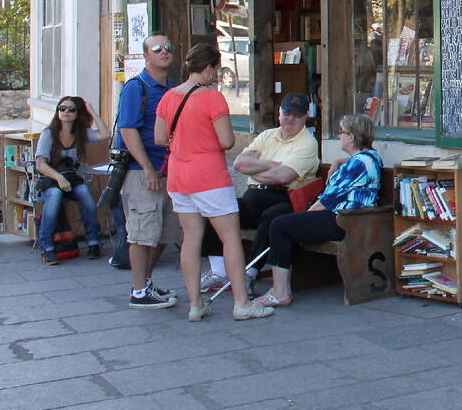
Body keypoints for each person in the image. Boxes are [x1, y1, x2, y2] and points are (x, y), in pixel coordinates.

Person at [155, 43, 273, 322]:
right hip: (209, 175)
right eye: (215, 70)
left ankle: (196, 304)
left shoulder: (169, 97)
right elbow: (227, 141)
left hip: (178, 176)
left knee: (191, 239)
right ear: (207, 68)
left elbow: (160, 139)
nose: (216, 75)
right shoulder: (212, 98)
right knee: (229, 237)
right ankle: (242, 302)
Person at [254, 114, 382, 309]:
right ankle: (282, 287)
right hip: (348, 217)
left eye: (342, 132)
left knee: (280, 225)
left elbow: (327, 200)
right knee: (286, 223)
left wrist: (306, 214)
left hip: (343, 220)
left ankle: (280, 292)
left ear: (352, 137)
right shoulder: (370, 158)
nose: (340, 136)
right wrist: (338, 162)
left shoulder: (358, 163)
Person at [198, 92, 320, 294]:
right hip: (252, 197)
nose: (290, 118)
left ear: (305, 117)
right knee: (217, 208)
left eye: (296, 115)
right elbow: (239, 163)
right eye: (287, 113)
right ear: (279, 113)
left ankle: (250, 274)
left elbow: (283, 177)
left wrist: (256, 169)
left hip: (284, 197)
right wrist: (272, 165)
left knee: (272, 218)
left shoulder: (307, 143)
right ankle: (219, 272)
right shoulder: (267, 135)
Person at [117, 32, 180, 310]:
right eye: (156, 48)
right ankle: (139, 290)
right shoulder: (136, 87)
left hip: (168, 171)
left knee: (163, 233)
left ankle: (147, 282)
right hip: (141, 172)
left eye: (168, 48)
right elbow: (128, 130)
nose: (163, 52)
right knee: (142, 234)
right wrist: (146, 168)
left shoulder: (172, 88)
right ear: (146, 55)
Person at [35, 96, 105, 265]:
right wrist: (59, 179)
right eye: (62, 108)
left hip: (72, 181)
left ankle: (93, 242)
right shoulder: (48, 134)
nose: (66, 112)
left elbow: (105, 134)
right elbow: (40, 165)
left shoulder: (81, 134)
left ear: (78, 113)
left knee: (85, 195)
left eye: (71, 109)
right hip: (50, 181)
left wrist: (92, 112)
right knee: (55, 195)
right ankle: (47, 247)